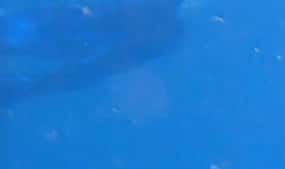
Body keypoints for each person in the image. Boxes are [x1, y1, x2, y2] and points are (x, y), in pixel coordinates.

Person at [0, 0, 183, 106]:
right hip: (60, 31)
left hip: (62, 34)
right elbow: (99, 69)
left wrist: (31, 88)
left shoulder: (166, 32)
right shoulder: (166, 32)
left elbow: (101, 69)